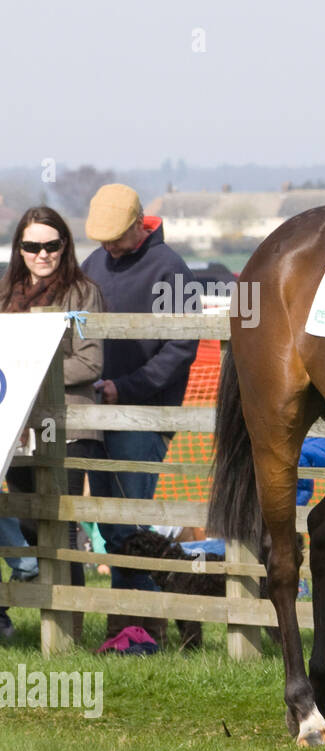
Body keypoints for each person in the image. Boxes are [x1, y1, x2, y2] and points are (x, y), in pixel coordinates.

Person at [80, 184, 198, 644]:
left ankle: (143, 627)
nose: (108, 245)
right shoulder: (94, 265)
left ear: (137, 222)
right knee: (112, 524)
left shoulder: (171, 270)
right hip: (97, 412)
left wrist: (124, 388)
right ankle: (142, 621)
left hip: (142, 415)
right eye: (101, 237)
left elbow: (180, 349)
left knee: (128, 522)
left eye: (115, 235)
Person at [1, 206, 107, 640]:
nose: (41, 254)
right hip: (16, 427)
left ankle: (69, 628)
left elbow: (91, 361)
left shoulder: (82, 293)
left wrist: (34, 373)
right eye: (32, 246)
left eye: (51, 245)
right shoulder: (6, 293)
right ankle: (41, 612)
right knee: (29, 520)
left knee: (60, 524)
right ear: (19, 249)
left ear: (65, 246)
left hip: (69, 425)